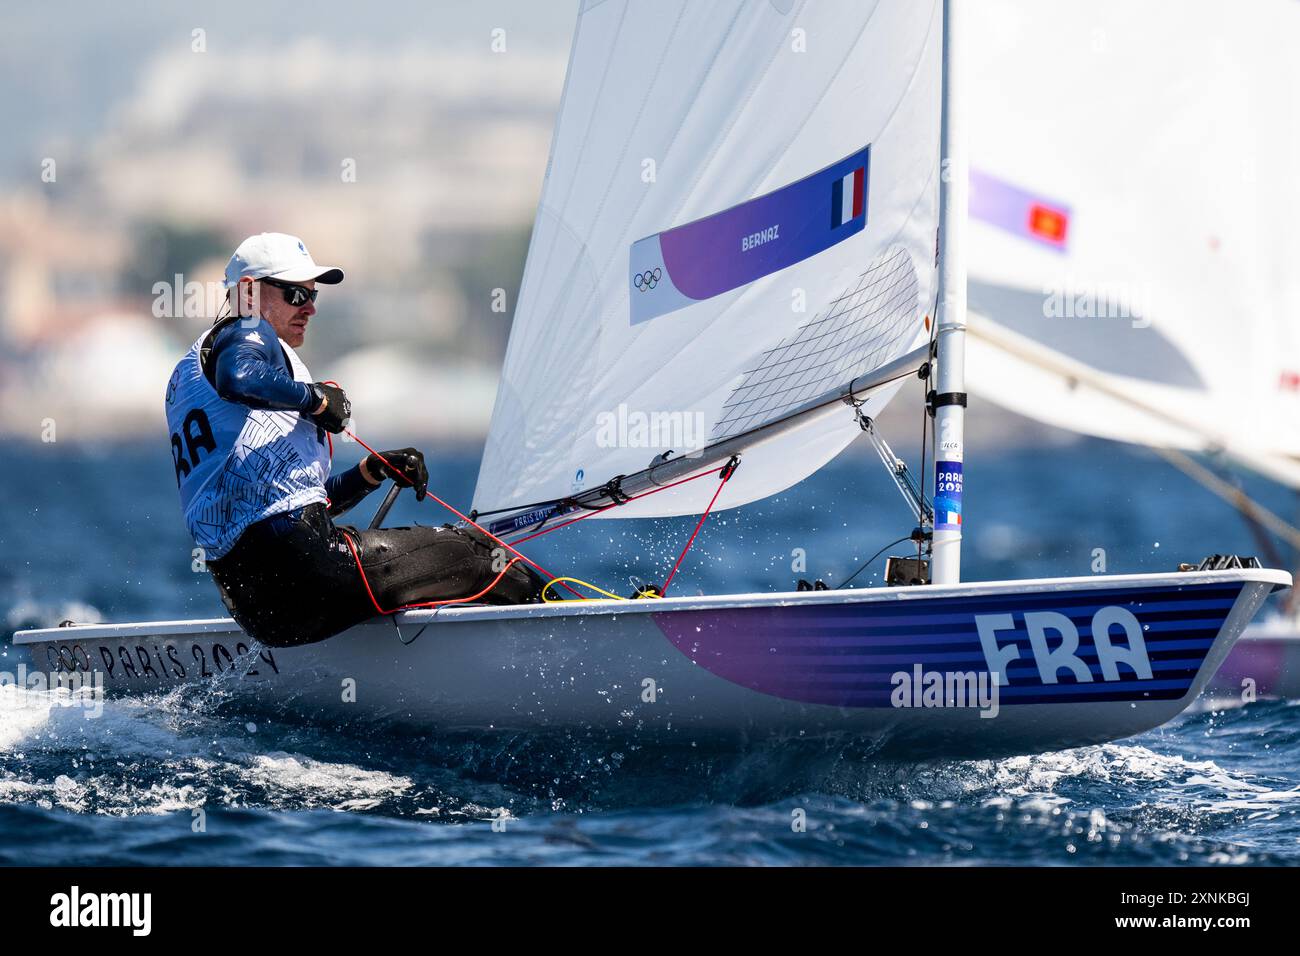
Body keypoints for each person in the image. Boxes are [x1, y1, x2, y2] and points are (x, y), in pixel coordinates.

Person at [164, 232, 544, 647]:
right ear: (249, 294)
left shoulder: (186, 375)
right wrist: (315, 399)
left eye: (312, 296)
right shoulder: (247, 332)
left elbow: (284, 501)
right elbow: (238, 377)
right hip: (304, 569)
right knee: (480, 556)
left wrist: (369, 473)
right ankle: (574, 629)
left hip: (259, 605)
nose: (309, 308)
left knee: (428, 575)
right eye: (295, 294)